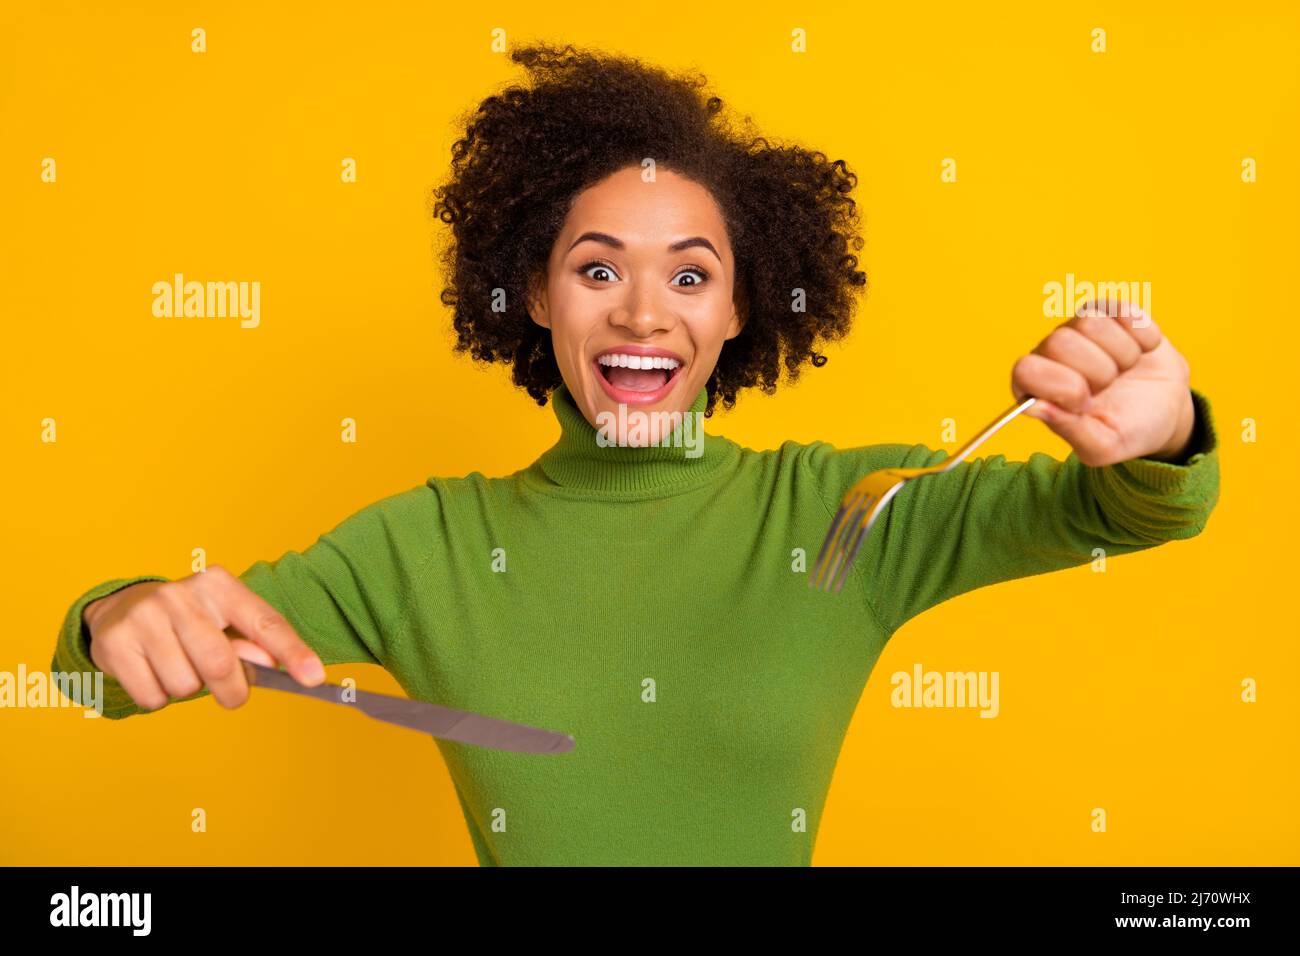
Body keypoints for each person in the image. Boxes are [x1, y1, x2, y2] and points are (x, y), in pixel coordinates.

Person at [52, 44, 1220, 866]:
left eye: (691, 275)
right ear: (536, 299)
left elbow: (1132, 510)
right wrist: (120, 613)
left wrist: (1159, 427)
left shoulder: (850, 508)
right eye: (598, 268)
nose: (643, 313)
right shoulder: (430, 543)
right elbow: (102, 676)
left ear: (738, 313)